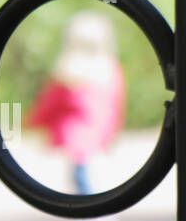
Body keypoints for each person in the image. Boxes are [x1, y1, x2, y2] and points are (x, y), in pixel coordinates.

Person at [26, 11, 126, 194]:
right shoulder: (110, 70)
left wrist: (32, 122)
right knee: (86, 176)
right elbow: (115, 106)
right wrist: (113, 132)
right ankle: (96, 212)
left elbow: (49, 103)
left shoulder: (68, 71)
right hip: (96, 135)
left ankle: (94, 214)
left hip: (76, 139)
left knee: (82, 178)